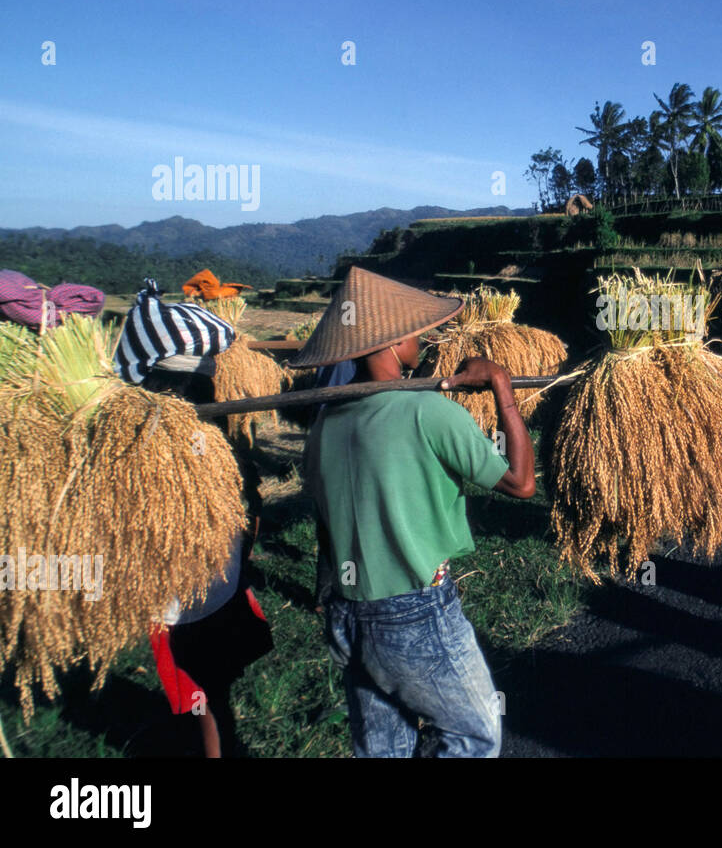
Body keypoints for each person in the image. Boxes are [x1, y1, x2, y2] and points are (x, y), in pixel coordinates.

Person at [292, 267, 535, 758]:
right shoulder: (429, 411)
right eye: (415, 330)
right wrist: (502, 388)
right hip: (413, 615)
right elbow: (522, 482)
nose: (422, 338)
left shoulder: (325, 427)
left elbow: (325, 521)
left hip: (348, 614)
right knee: (476, 735)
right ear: (392, 339)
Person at [113, 280, 273, 757]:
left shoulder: (152, 439)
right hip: (202, 590)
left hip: (191, 595)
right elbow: (250, 504)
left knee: (205, 692)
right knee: (211, 688)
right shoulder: (202, 437)